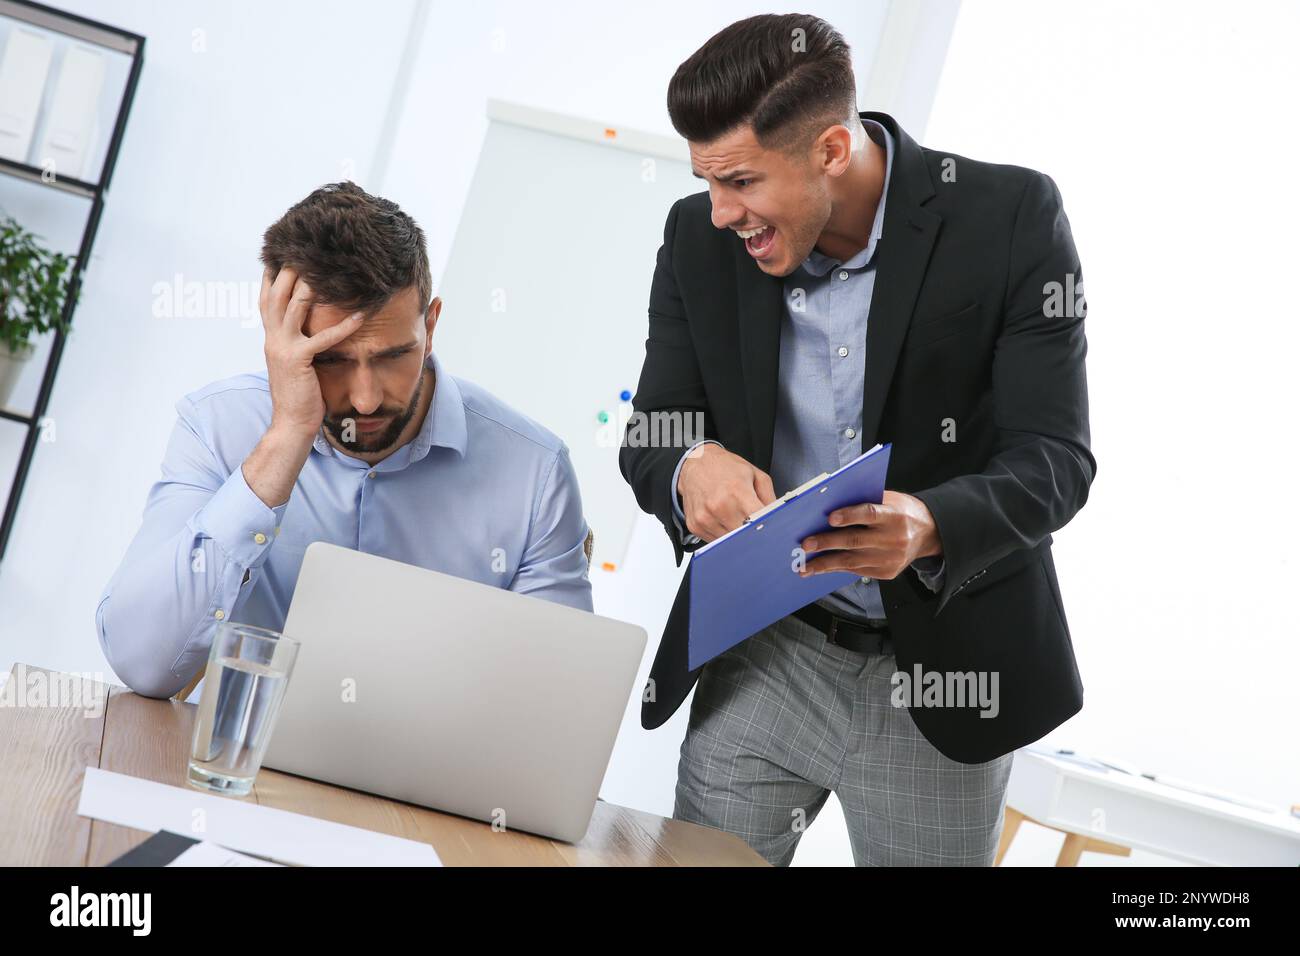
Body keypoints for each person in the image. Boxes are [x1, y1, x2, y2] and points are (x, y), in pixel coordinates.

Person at [620, 14, 1094, 866]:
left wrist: (930, 522)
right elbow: (654, 433)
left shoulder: (1011, 217)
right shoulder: (695, 238)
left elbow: (1056, 459)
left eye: (741, 182)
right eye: (707, 180)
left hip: (945, 677)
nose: (721, 212)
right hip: (767, 655)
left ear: (831, 149)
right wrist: (693, 462)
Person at [98, 182, 591, 699]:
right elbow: (144, 664)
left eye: (392, 355)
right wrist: (288, 435)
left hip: (427, 777)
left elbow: (552, 703)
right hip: (234, 765)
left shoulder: (536, 473)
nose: (365, 400)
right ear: (280, 340)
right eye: (330, 360)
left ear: (432, 324)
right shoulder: (218, 426)